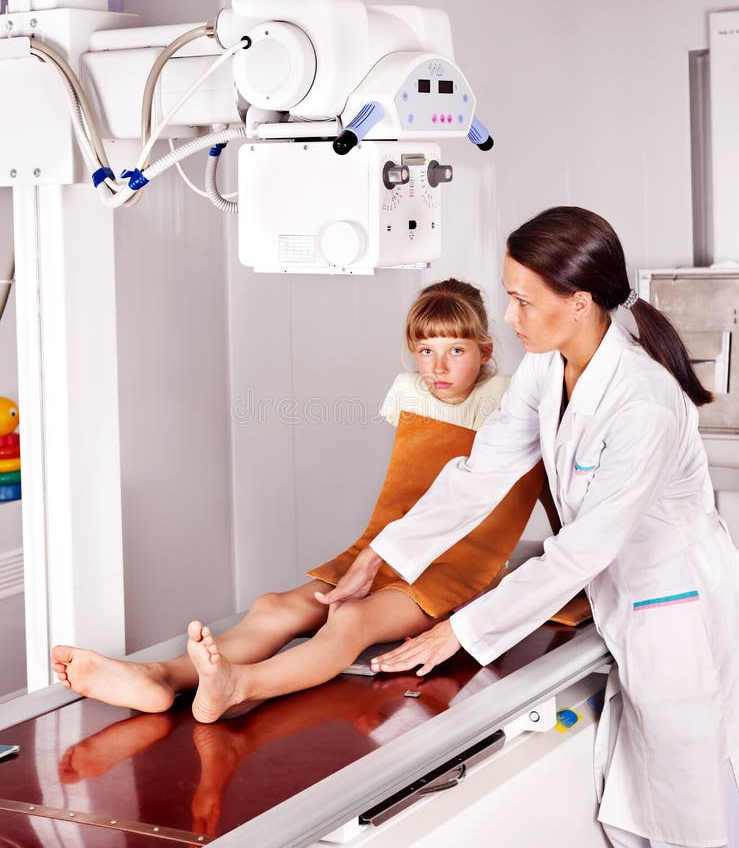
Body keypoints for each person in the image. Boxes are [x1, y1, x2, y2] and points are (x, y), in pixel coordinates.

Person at [323, 207, 739, 848]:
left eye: (520, 301)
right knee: (641, 804)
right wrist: (381, 554)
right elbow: (480, 473)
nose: (509, 319)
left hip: (676, 610)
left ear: (579, 302)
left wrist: (457, 631)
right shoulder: (547, 369)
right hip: (627, 602)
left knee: (692, 809)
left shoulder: (644, 402)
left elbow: (581, 551)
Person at [51, 279, 547, 725]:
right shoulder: (409, 392)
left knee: (350, 619)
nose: (439, 366)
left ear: (484, 352)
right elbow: (412, 488)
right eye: (426, 350)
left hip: (454, 568)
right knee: (276, 607)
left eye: (456, 351)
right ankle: (160, 677)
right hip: (385, 542)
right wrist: (377, 552)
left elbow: (531, 483)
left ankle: (238, 685)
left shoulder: (510, 397)